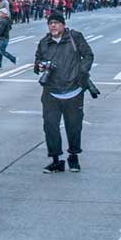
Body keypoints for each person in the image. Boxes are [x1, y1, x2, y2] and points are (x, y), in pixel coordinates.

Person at [33, 11, 95, 173]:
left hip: (73, 91)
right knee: (50, 126)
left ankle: (73, 157)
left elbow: (88, 55)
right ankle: (56, 160)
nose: (53, 25)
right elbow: (37, 60)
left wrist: (81, 72)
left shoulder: (74, 38)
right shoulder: (44, 42)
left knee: (74, 126)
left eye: (56, 22)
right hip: (51, 92)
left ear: (63, 25)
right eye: (50, 23)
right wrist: (40, 66)